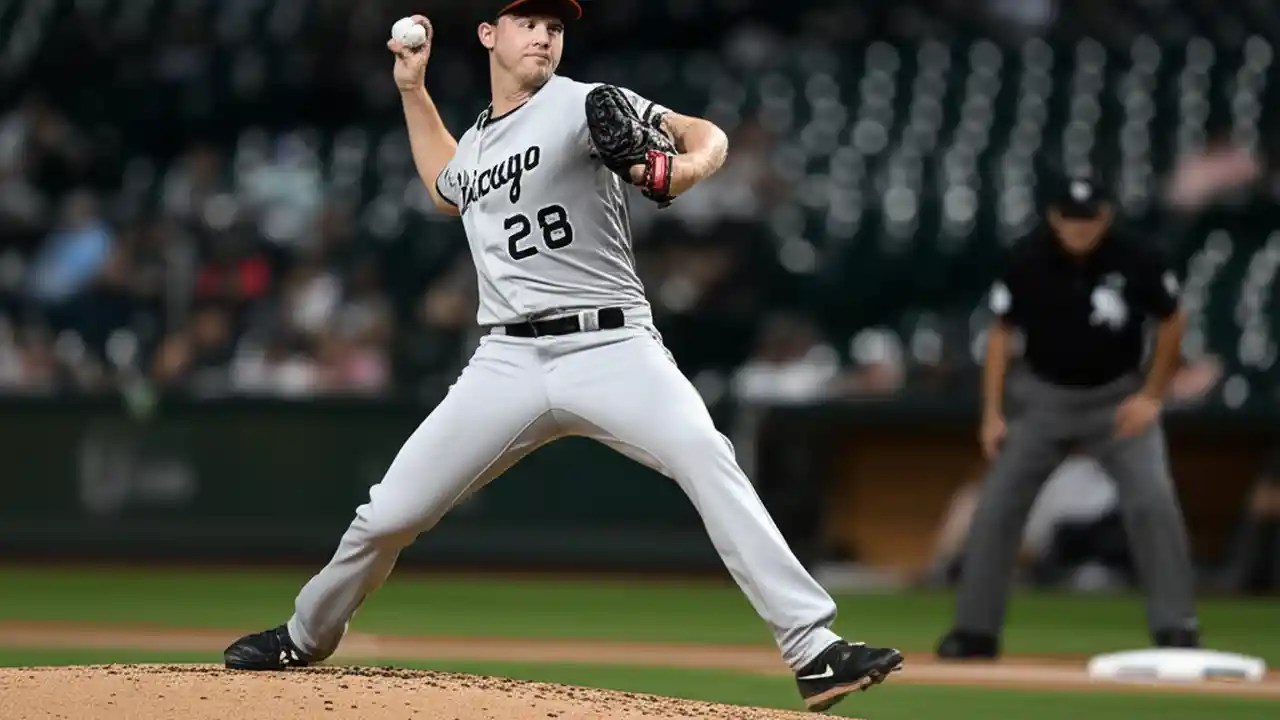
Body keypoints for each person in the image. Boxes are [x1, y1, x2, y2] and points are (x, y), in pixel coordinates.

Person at [221, 1, 901, 712]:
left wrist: (685, 169)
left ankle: (813, 650)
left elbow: (707, 134)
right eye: (527, 21)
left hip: (611, 346)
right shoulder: (479, 145)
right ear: (489, 35)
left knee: (706, 456)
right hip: (505, 362)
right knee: (388, 514)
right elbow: (444, 186)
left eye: (555, 25)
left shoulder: (586, 103)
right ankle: (306, 632)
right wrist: (412, 90)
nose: (544, 34)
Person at [935, 175, 1202, 659]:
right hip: (1042, 400)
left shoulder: (1137, 256)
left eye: (1090, 218)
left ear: (1107, 216)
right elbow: (1000, 333)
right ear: (1054, 217)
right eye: (1070, 218)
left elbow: (1173, 317)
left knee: (1153, 502)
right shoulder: (1027, 257)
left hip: (1117, 401)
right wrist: (992, 412)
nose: (1079, 228)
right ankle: (975, 630)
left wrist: (1152, 395)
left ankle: (1176, 625)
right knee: (995, 507)